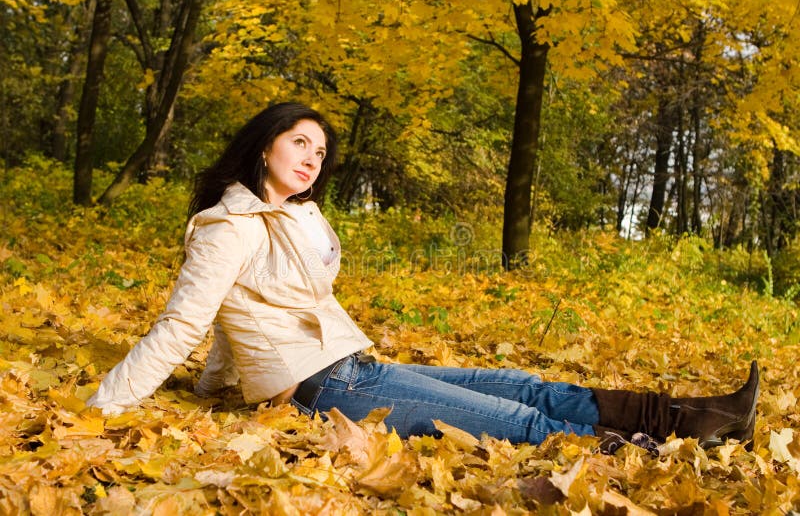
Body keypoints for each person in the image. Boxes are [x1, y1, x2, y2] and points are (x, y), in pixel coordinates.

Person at [87, 102, 759, 452]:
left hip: (350, 369)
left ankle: (703, 416)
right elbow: (185, 322)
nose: (312, 159)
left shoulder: (287, 217)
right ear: (265, 143)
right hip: (321, 389)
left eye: (320, 152)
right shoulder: (228, 226)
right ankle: (658, 456)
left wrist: (214, 385)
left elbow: (245, 315)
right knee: (517, 421)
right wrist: (106, 407)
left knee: (526, 386)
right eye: (299, 143)